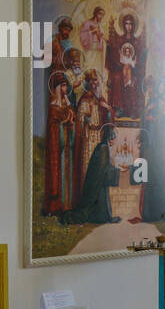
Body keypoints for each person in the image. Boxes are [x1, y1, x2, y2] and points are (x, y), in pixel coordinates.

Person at [62, 123, 122, 225]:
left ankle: (106, 216)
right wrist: (117, 170)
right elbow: (103, 170)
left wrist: (114, 169)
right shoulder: (103, 148)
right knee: (95, 208)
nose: (114, 141)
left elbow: (104, 168)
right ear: (110, 138)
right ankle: (100, 217)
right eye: (113, 138)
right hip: (95, 185)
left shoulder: (102, 147)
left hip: (98, 182)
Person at [73, 68, 112, 202]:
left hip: (100, 138)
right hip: (88, 137)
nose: (95, 83)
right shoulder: (85, 100)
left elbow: (109, 116)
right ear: (88, 83)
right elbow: (79, 120)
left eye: (96, 80)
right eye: (92, 81)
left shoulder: (101, 99)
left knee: (99, 168)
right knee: (87, 167)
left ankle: (97, 203)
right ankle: (86, 200)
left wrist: (106, 109)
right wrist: (86, 118)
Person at [43, 71, 77, 215]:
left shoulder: (66, 104)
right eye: (62, 86)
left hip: (67, 148)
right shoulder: (53, 106)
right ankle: (56, 206)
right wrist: (65, 121)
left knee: (67, 173)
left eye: (66, 86)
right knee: (57, 174)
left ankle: (67, 205)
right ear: (57, 88)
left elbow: (72, 119)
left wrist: (71, 122)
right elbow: (53, 126)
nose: (65, 89)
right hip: (58, 148)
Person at [105, 12, 146, 118]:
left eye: (131, 24)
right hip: (120, 69)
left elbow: (140, 57)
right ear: (123, 25)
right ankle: (120, 108)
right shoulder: (119, 39)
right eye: (127, 23)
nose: (129, 26)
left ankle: (132, 110)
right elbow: (114, 54)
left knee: (134, 80)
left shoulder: (136, 41)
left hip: (133, 70)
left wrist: (133, 65)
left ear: (133, 26)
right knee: (118, 78)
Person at [78, 5, 109, 99]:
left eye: (103, 15)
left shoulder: (100, 26)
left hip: (98, 53)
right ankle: (87, 92)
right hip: (90, 51)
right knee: (89, 70)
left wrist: (101, 36)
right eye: (100, 14)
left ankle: (98, 95)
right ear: (95, 13)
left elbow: (104, 39)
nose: (101, 17)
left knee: (97, 72)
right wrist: (92, 32)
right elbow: (82, 36)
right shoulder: (87, 23)